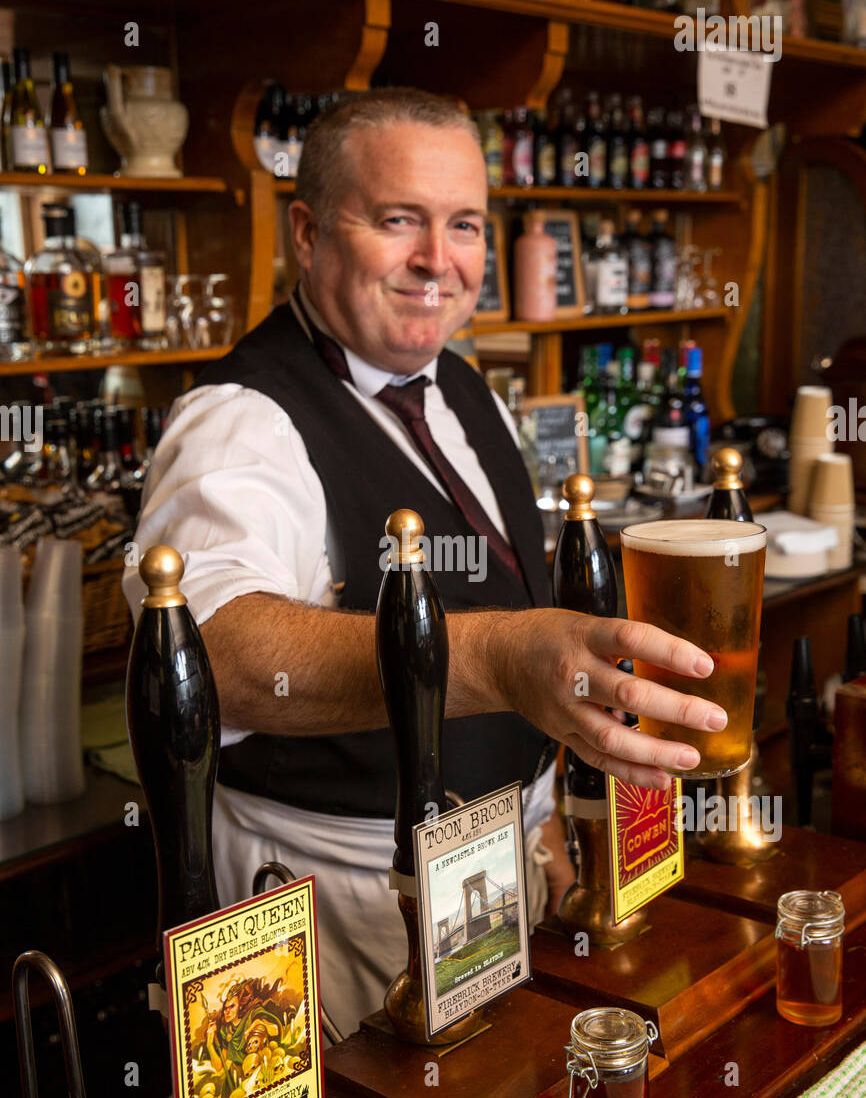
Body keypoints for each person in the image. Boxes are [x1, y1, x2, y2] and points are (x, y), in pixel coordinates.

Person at [125, 88, 726, 1037]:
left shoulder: (458, 387)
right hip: (346, 904)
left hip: (497, 875)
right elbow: (215, 657)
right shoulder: (240, 418)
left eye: (465, 226)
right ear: (309, 233)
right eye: (397, 219)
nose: (436, 261)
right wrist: (492, 661)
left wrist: (541, 818)